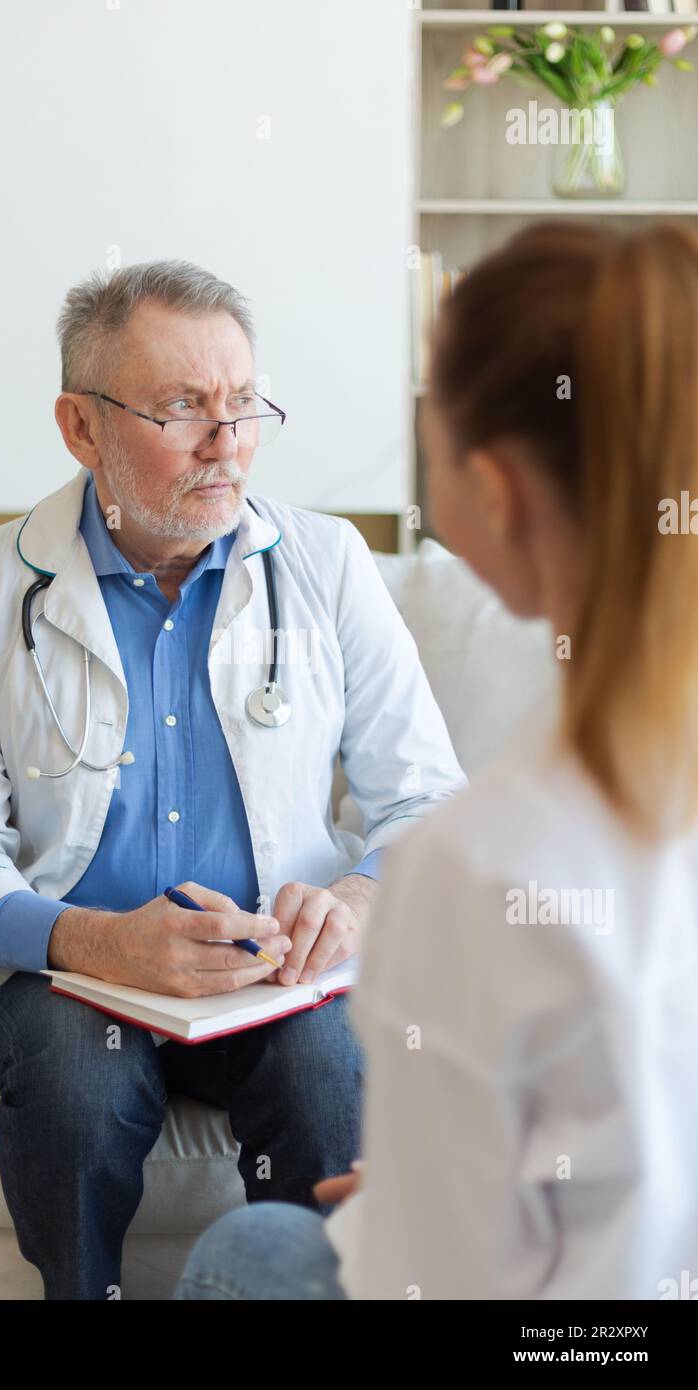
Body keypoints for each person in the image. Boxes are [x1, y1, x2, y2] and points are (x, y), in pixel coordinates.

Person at [0, 259, 465, 1300]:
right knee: (71, 1087)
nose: (227, 442)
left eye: (243, 404)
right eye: (182, 409)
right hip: (77, 967)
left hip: (273, 962)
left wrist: (353, 898)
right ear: (81, 427)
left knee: (326, 1071)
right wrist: (100, 940)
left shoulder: (328, 564)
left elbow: (426, 801)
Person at [174, 220, 698, 1300]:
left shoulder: (480, 862)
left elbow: (449, 1279)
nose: (225, 439)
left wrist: (405, 1202)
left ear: (493, 491)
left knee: (240, 1254)